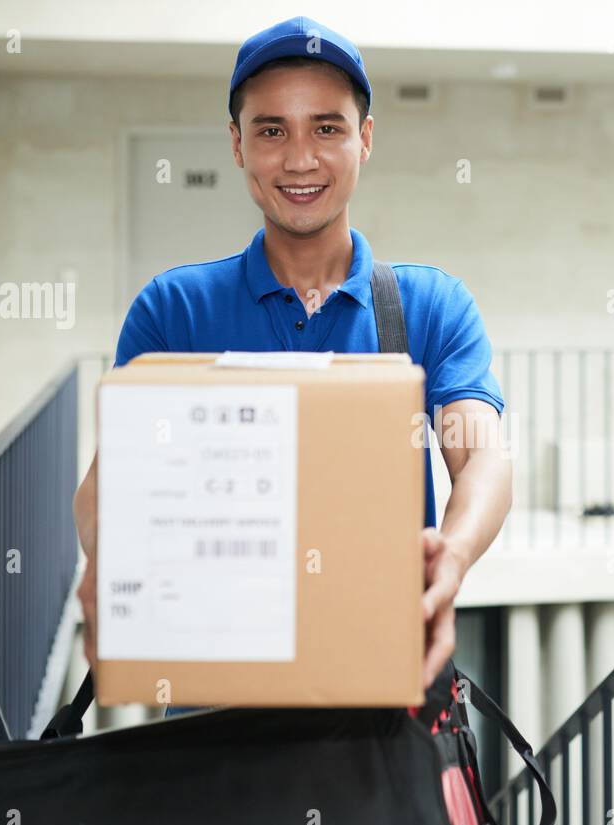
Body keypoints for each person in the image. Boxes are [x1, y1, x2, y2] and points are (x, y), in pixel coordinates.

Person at [71, 16, 512, 711]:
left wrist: (450, 556)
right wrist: (109, 553)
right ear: (237, 144)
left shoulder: (430, 306)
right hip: (212, 712)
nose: (300, 159)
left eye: (327, 128)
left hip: (381, 712)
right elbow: (107, 483)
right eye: (272, 130)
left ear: (365, 138)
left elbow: (483, 455)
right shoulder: (173, 310)